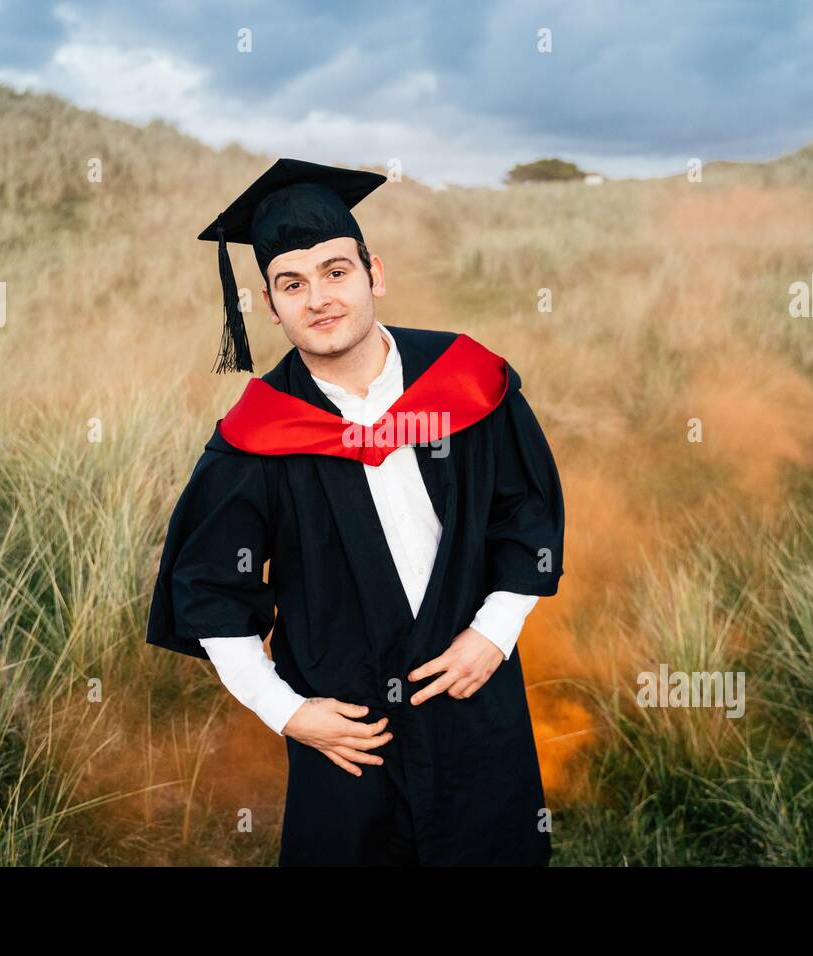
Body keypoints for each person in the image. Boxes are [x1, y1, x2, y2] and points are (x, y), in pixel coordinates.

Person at [145, 157, 565, 866]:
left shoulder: (467, 382)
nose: (319, 298)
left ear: (375, 273)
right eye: (292, 283)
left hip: (469, 690)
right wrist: (289, 713)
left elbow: (526, 516)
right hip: (349, 736)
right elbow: (210, 592)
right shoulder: (255, 438)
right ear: (271, 306)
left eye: (336, 272)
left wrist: (494, 632)